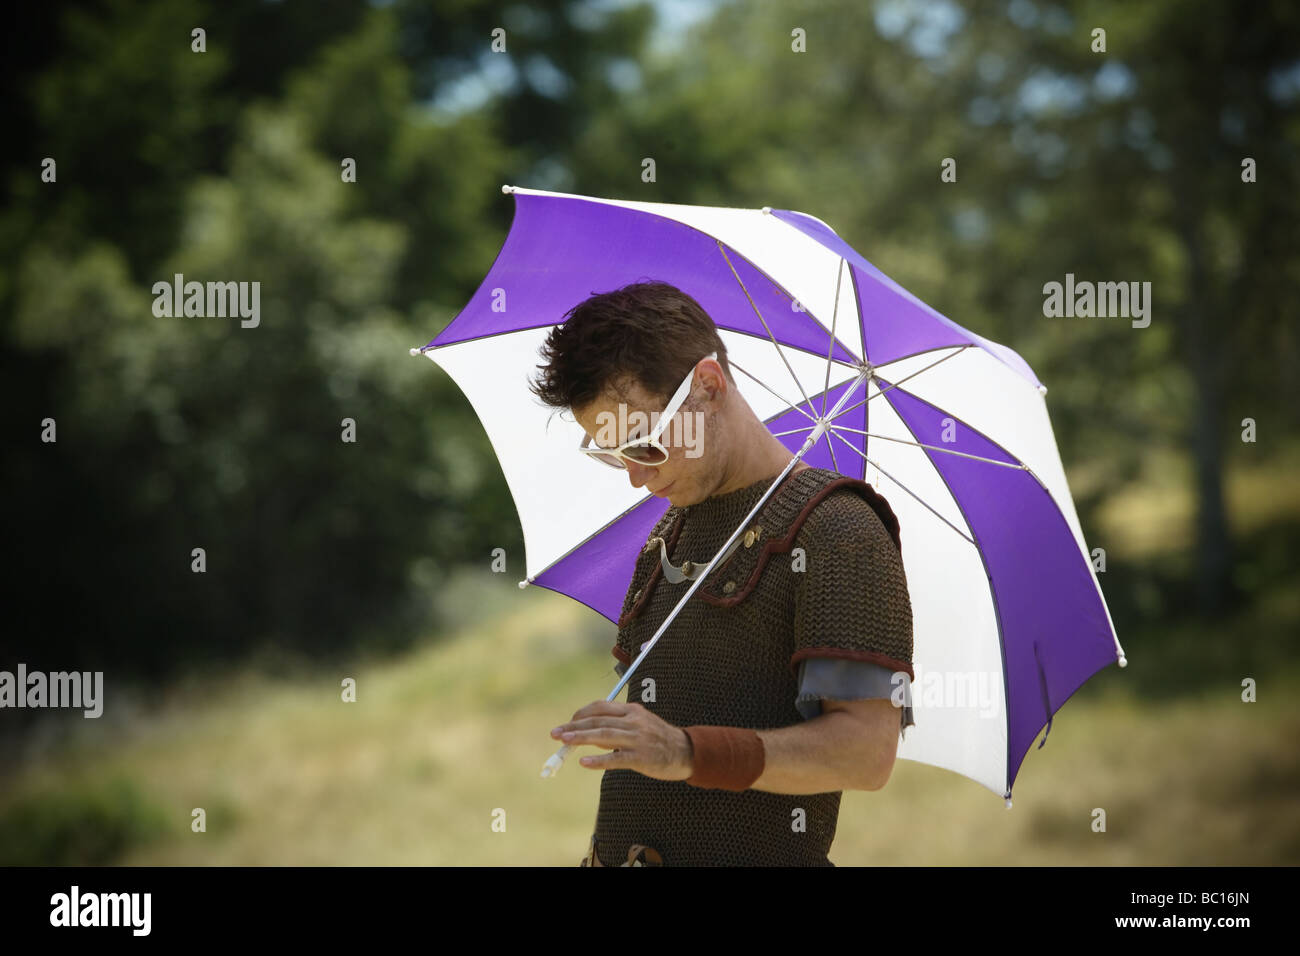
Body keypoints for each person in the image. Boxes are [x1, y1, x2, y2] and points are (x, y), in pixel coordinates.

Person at [528, 280, 915, 866]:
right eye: (612, 453)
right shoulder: (668, 534)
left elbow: (866, 751)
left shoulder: (838, 531)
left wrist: (685, 751)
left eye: (646, 443)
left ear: (708, 386)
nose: (636, 476)